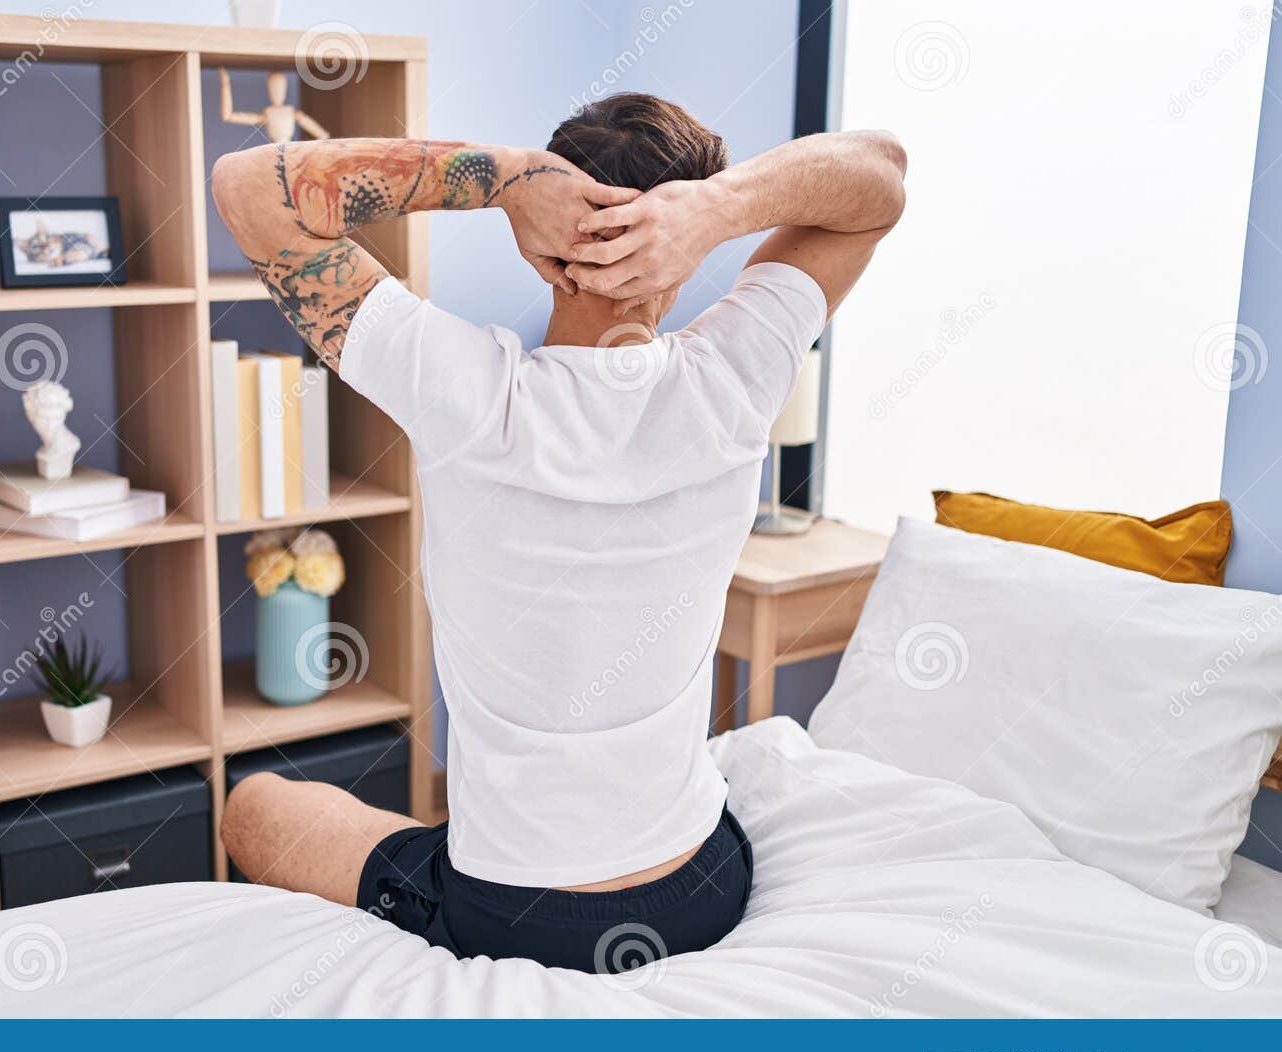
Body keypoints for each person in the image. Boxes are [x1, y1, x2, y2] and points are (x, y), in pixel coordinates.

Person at [211, 93, 906, 973]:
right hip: (701, 888)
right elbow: (881, 175)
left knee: (256, 805)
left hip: (512, 915)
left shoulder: (463, 390)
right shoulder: (737, 376)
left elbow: (246, 186)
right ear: (684, 260)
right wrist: (716, 211)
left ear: (545, 254)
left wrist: (506, 184)